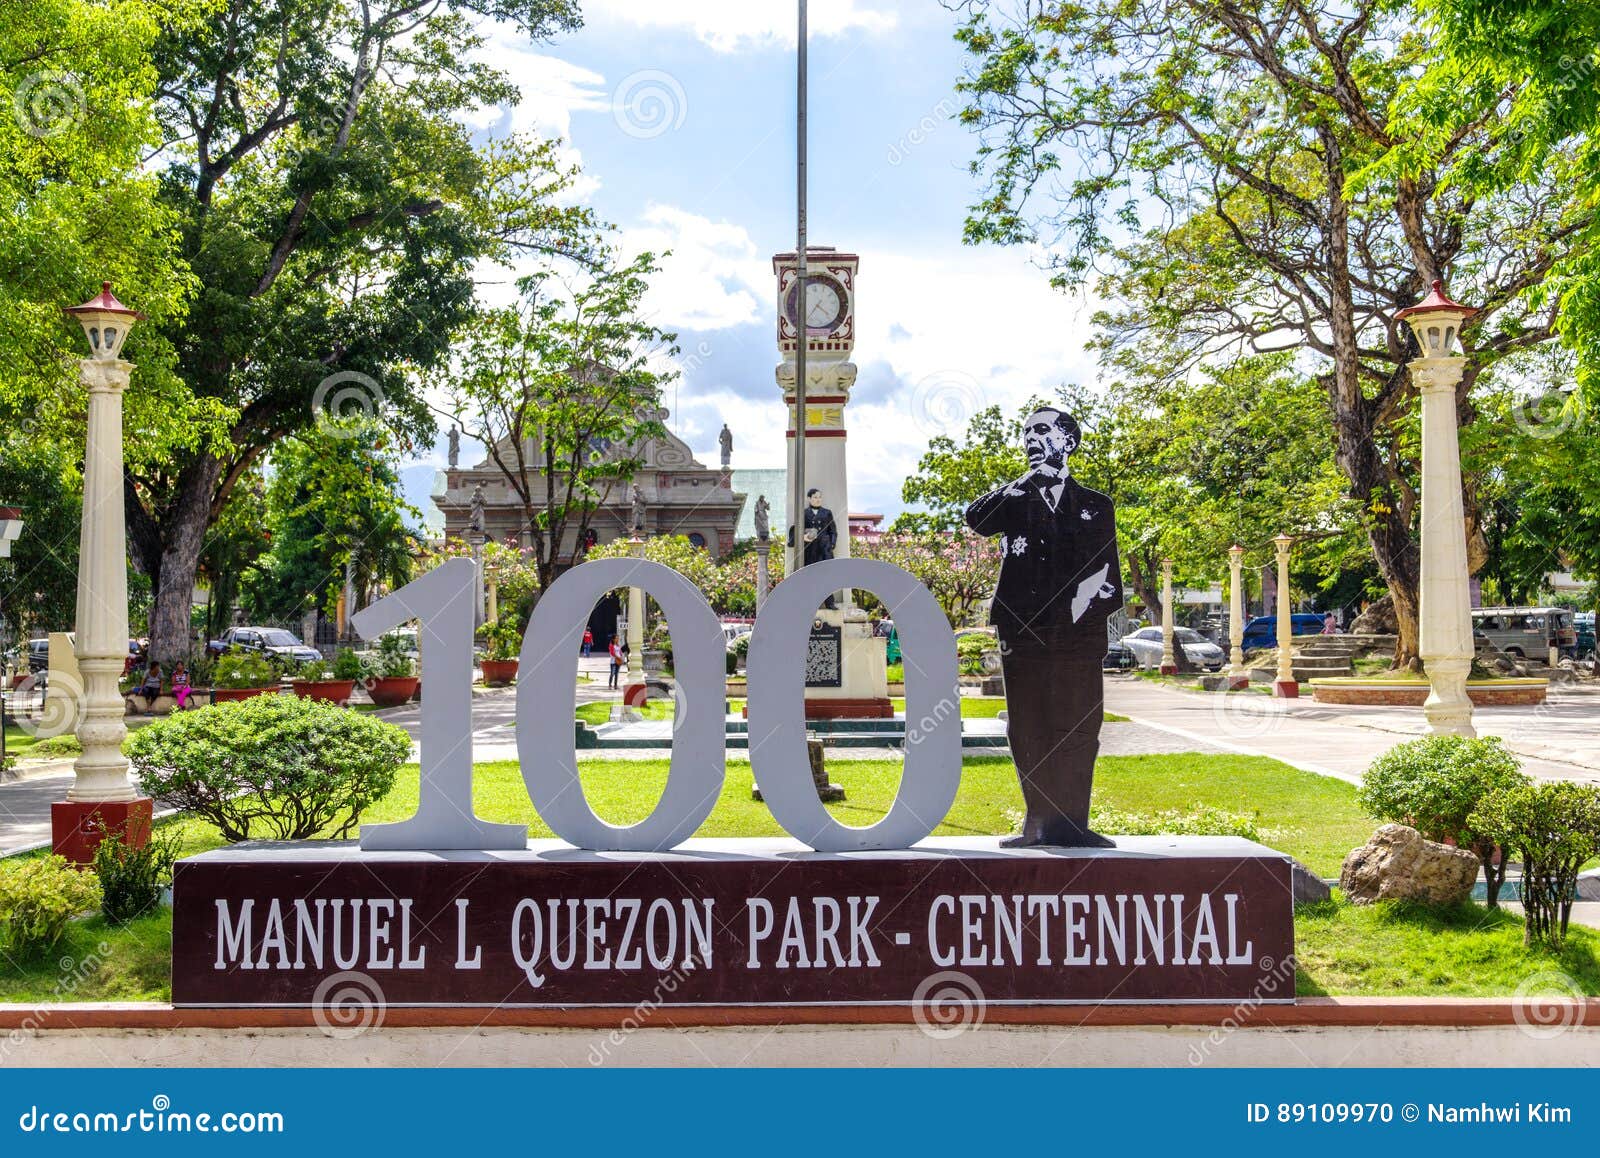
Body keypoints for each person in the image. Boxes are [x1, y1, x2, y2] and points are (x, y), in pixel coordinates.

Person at [965, 407, 1122, 848]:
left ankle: (1072, 825)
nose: (1031, 439)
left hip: (1078, 634)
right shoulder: (1016, 499)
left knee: (1077, 728)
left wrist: (1080, 604)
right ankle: (1037, 822)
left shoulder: (1095, 505)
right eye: (1026, 432)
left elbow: (1106, 574)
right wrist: (1024, 481)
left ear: (1068, 441)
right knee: (1028, 726)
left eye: (1041, 431)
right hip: (1023, 635)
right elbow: (976, 517)